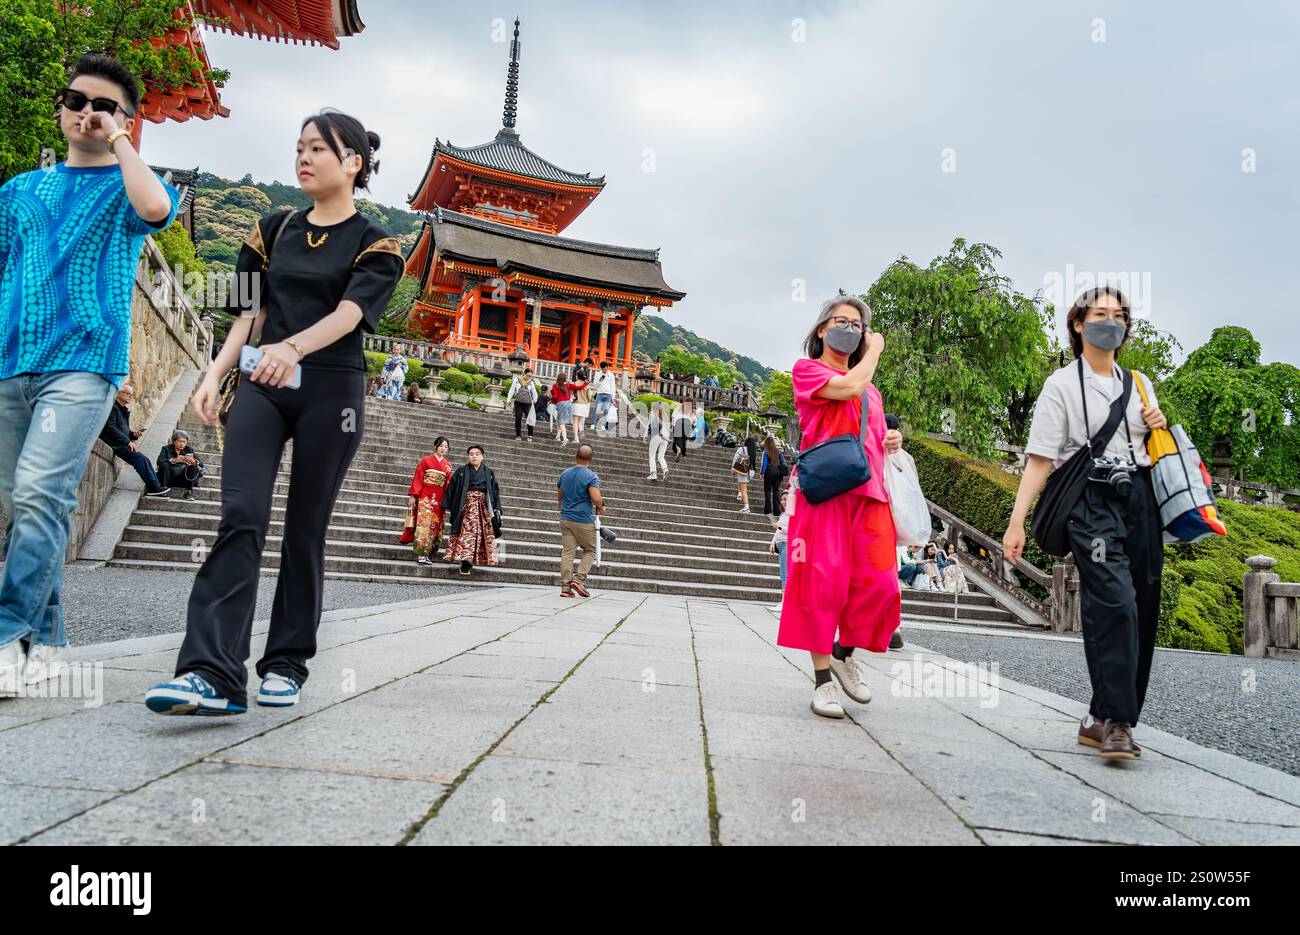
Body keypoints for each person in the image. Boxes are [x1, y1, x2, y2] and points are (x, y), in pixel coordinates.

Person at [144, 109, 403, 716]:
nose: (304, 158)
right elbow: (245, 316)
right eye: (299, 148)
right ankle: (211, 672)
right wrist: (213, 374)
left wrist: (294, 348)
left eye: (318, 148)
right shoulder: (270, 228)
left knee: (305, 529)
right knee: (240, 513)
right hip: (261, 383)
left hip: (331, 390)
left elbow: (348, 314)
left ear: (353, 162)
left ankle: (287, 661)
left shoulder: (378, 243)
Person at [0, 54, 179, 695]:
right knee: (22, 505)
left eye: (104, 106)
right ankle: (45, 641)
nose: (87, 111)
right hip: (11, 360)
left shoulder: (128, 187)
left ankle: (8, 638)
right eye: (76, 99)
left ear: (126, 120)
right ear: (61, 106)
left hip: (82, 364)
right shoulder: (19, 191)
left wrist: (121, 141)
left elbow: (157, 209)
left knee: (41, 493)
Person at [1003, 285, 1166, 761]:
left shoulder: (1138, 382)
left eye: (1119, 316)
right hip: (1089, 499)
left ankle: (1099, 716)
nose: (1110, 322)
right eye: (1099, 314)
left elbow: (1154, 452)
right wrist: (1017, 522)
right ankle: (1117, 723)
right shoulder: (1061, 384)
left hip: (1138, 499)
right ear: (1078, 324)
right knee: (1113, 601)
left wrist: (1156, 424)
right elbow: (1039, 459)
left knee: (1141, 606)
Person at [779, 295, 903, 719]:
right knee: (820, 582)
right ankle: (822, 682)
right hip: (824, 492)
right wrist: (875, 351)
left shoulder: (875, 393)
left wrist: (892, 441)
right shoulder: (807, 370)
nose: (849, 329)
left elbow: (875, 432)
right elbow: (849, 387)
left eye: (856, 324)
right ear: (821, 330)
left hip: (870, 494)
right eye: (841, 322)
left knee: (881, 584)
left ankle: (843, 650)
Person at [98, 383, 171, 497]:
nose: (131, 397)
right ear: (118, 394)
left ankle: (156, 485)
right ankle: (153, 487)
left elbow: (122, 430)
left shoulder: (122, 409)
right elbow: (109, 427)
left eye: (131, 395)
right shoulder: (112, 407)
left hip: (120, 442)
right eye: (128, 394)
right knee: (139, 459)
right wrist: (128, 442)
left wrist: (133, 435)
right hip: (114, 442)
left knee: (144, 459)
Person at [442, 443, 501, 575]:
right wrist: (447, 505)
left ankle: (472, 559)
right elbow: (451, 488)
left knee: (480, 534)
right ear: (468, 456)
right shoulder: (461, 471)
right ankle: (465, 560)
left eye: (477, 454)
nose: (474, 457)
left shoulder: (489, 473)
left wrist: (497, 508)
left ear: (482, 456)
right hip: (466, 506)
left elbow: (495, 492)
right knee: (467, 532)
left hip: (483, 507)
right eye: (471, 454)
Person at [557, 444, 604, 597]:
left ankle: (565, 588)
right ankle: (578, 579)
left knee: (568, 553)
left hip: (565, 517)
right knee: (591, 550)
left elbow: (560, 495)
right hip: (582, 519)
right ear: (590, 459)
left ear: (576, 456)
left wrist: (561, 509)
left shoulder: (564, 474)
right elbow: (595, 497)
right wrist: (601, 506)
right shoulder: (590, 476)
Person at [400, 435, 452, 566]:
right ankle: (421, 554)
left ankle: (428, 553)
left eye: (446, 447)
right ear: (436, 446)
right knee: (423, 526)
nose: (443, 449)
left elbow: (448, 484)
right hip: (425, 496)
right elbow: (418, 478)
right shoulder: (425, 461)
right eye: (441, 446)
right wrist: (413, 495)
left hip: (439, 498)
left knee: (435, 527)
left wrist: (448, 501)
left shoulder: (448, 466)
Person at [156, 430, 203, 501]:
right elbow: (159, 462)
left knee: (193, 466)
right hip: (168, 478)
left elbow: (201, 464)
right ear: (174, 441)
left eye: (184, 442)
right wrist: (174, 460)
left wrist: (194, 461)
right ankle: (163, 489)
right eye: (179, 441)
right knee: (164, 464)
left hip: (183, 479)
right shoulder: (166, 449)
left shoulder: (189, 450)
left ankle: (188, 492)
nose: (181, 444)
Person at [505, 367, 539, 442]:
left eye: (530, 376)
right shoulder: (517, 380)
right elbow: (512, 389)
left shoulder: (531, 382)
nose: (529, 377)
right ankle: (518, 435)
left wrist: (535, 400)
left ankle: (530, 435)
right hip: (518, 403)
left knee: (529, 419)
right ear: (524, 374)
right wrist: (508, 399)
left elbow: (534, 393)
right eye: (528, 375)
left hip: (528, 403)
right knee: (518, 418)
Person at [759, 435, 788, 517]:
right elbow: (784, 463)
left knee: (767, 491)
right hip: (778, 473)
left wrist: (762, 473)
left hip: (769, 473)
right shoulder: (779, 452)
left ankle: (768, 510)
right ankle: (777, 510)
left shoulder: (766, 452)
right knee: (776, 491)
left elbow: (764, 464)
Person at [769, 487, 791, 592]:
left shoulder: (793, 514)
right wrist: (772, 543)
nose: (783, 502)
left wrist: (779, 527)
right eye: (782, 499)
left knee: (784, 573)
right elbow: (778, 530)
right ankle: (784, 600)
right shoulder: (783, 514)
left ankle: (784, 601)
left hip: (787, 544)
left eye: (785, 499)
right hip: (780, 545)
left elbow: (793, 530)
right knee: (783, 573)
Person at [643, 400, 670, 480]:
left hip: (656, 436)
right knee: (661, 456)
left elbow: (648, 426)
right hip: (665, 439)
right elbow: (668, 429)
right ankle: (665, 470)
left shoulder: (652, 414)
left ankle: (653, 474)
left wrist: (645, 437)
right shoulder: (665, 416)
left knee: (652, 456)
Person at [591, 360, 617, 433]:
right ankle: (593, 424)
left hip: (608, 395)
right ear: (601, 368)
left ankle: (603, 425)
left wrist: (613, 397)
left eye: (605, 369)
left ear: (607, 368)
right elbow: (595, 386)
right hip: (600, 393)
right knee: (596, 409)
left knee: (606, 411)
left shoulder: (611, 375)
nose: (604, 371)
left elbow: (613, 386)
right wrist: (599, 380)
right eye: (603, 369)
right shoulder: (597, 374)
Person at [569, 363, 592, 442]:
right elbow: (589, 397)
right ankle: (581, 436)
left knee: (575, 422)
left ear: (577, 376)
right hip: (584, 405)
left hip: (576, 404)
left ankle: (576, 438)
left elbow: (571, 394)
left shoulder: (573, 384)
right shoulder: (587, 386)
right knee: (580, 422)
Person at [550, 378, 573, 444]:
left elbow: (555, 397)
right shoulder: (567, 386)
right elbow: (578, 387)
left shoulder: (556, 386)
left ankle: (565, 438)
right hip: (568, 404)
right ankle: (558, 437)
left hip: (561, 405)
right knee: (559, 421)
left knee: (561, 423)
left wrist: (550, 400)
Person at [731, 444, 752, 513]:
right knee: (742, 486)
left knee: (743, 490)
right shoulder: (752, 450)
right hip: (748, 471)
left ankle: (746, 507)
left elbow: (735, 457)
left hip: (741, 470)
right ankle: (740, 495)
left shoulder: (741, 449)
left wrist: (733, 468)